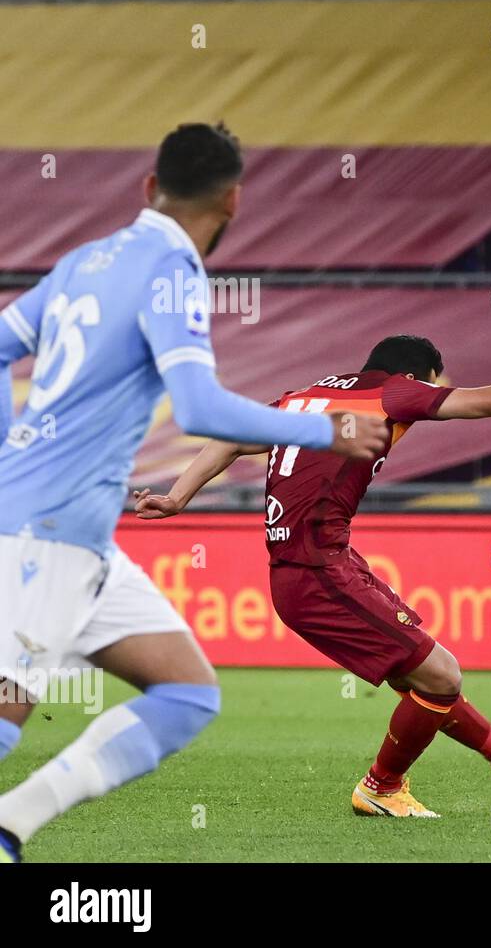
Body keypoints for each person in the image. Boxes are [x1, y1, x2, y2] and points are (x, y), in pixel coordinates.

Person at [0, 123, 388, 863]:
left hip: (75, 537)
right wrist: (323, 430)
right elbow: (199, 410)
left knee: (186, 694)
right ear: (235, 199)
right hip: (42, 532)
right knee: (5, 714)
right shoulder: (173, 270)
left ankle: (10, 825)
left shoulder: (86, 258)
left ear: (150, 188)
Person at [135, 334, 491, 817]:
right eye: (436, 382)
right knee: (443, 674)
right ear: (418, 376)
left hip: (317, 566)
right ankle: (381, 787)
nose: (438, 393)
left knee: (422, 679)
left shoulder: (302, 398)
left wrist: (178, 497)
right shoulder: (392, 394)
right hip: (317, 572)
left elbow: (231, 438)